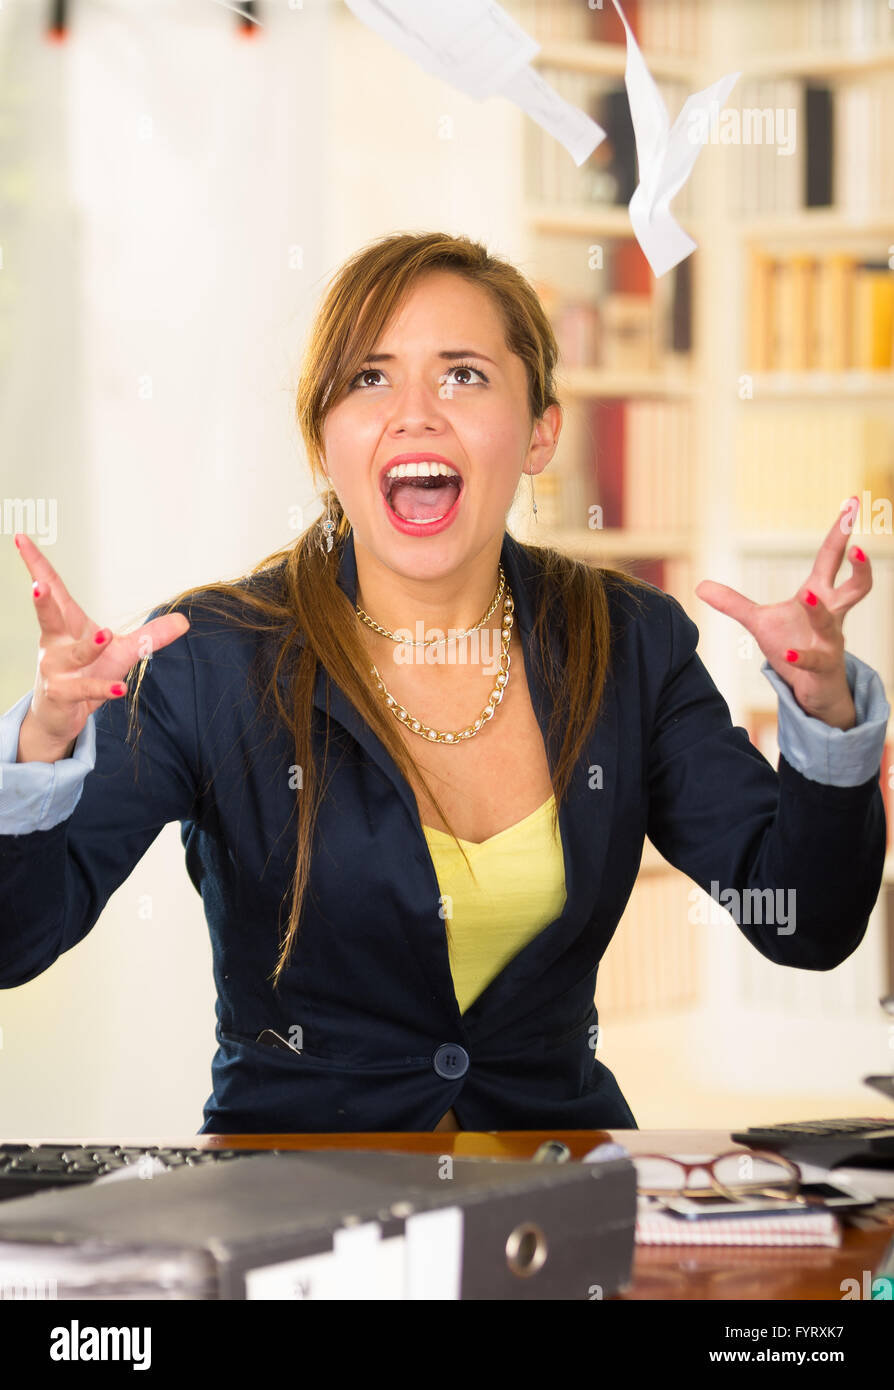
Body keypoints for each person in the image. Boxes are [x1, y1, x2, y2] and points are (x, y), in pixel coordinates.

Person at [0, 231, 888, 1135]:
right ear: (322, 440)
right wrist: (44, 743)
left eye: (462, 375)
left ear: (541, 429)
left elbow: (804, 923)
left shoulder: (626, 641)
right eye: (369, 378)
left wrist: (825, 715)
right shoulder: (210, 656)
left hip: (558, 1210)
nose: (416, 413)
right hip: (300, 1224)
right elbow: (14, 939)